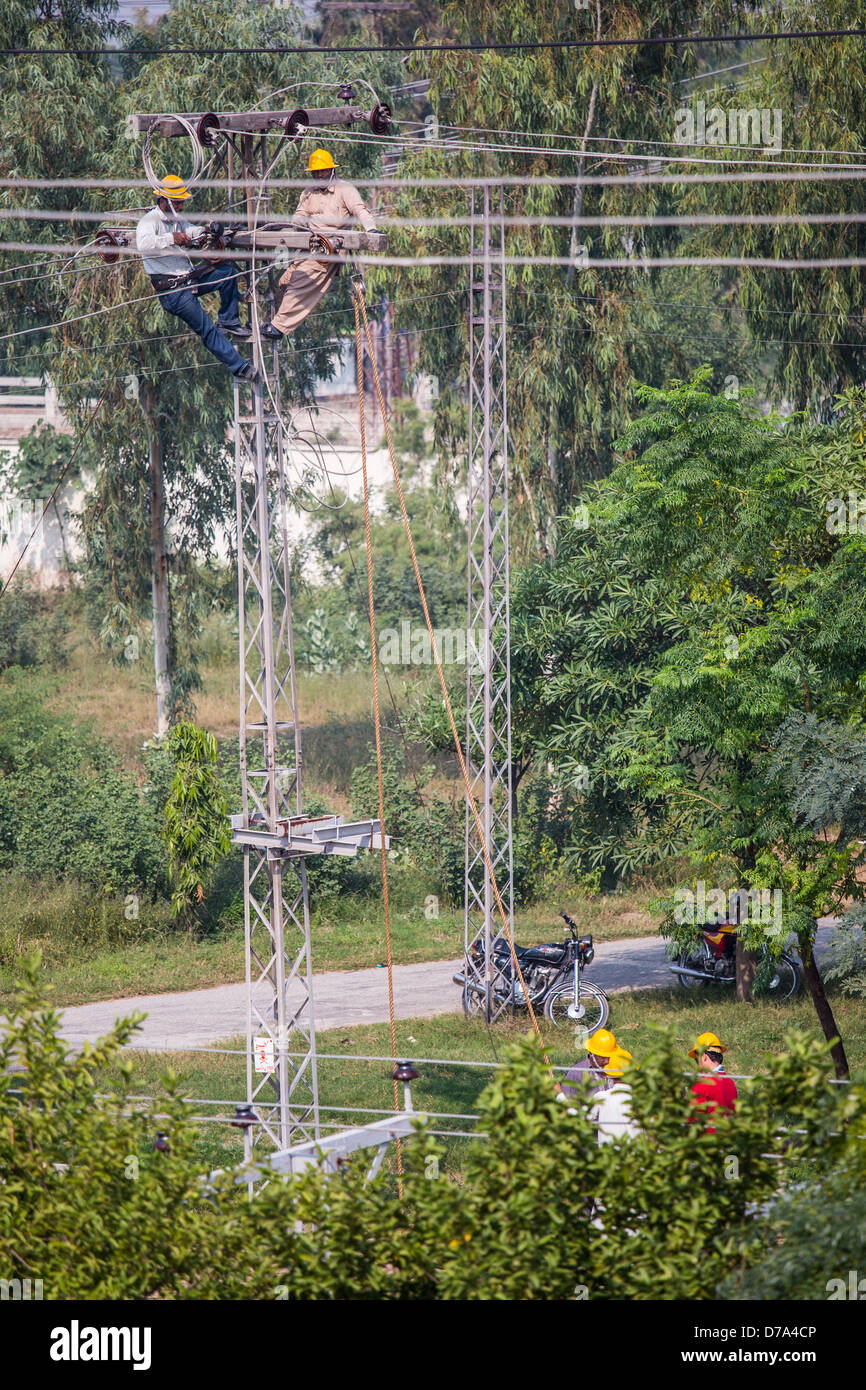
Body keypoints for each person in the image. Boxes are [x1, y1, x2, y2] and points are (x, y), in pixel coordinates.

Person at [136, 175, 256, 382]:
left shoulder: (176, 220)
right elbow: (144, 245)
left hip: (188, 280)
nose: (181, 206)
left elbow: (191, 230)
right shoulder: (150, 221)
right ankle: (240, 368)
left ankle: (228, 320)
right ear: (164, 200)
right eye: (178, 202)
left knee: (227, 273)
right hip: (173, 292)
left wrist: (206, 231)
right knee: (207, 330)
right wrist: (170, 238)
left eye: (182, 202)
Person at [260, 149, 379, 340]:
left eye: (323, 171)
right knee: (285, 280)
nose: (319, 175)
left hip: (329, 252)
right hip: (307, 247)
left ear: (332, 170)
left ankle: (278, 327)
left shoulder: (345, 190)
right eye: (316, 172)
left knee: (300, 279)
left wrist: (371, 229)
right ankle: (269, 320)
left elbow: (361, 210)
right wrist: (294, 225)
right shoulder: (308, 193)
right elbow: (299, 216)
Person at [688, 1031, 737, 1132]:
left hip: (706, 1144)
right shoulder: (731, 1083)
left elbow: (692, 1122)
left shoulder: (702, 1085)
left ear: (704, 1057)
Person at [591, 1048, 639, 1144]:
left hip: (609, 1157)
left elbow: (577, 1116)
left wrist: (559, 1095)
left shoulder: (601, 1098)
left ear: (609, 1075)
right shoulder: (643, 1100)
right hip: (638, 1157)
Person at [559, 1028, 619, 1102]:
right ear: (591, 1054)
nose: (607, 1061)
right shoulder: (576, 1074)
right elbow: (567, 1105)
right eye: (602, 1057)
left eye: (610, 1056)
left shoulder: (618, 1068)